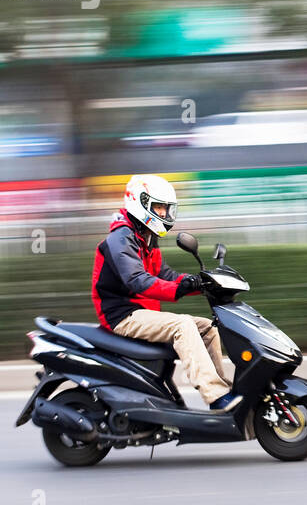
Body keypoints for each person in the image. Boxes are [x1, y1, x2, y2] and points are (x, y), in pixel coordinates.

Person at [90, 174, 243, 412]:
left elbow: (163, 274)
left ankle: (223, 390)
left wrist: (200, 284)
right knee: (182, 325)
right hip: (122, 315)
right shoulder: (120, 239)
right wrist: (181, 288)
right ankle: (215, 395)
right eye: (158, 207)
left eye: (165, 209)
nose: (163, 214)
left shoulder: (144, 237)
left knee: (208, 328)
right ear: (140, 203)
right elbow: (137, 280)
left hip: (141, 312)